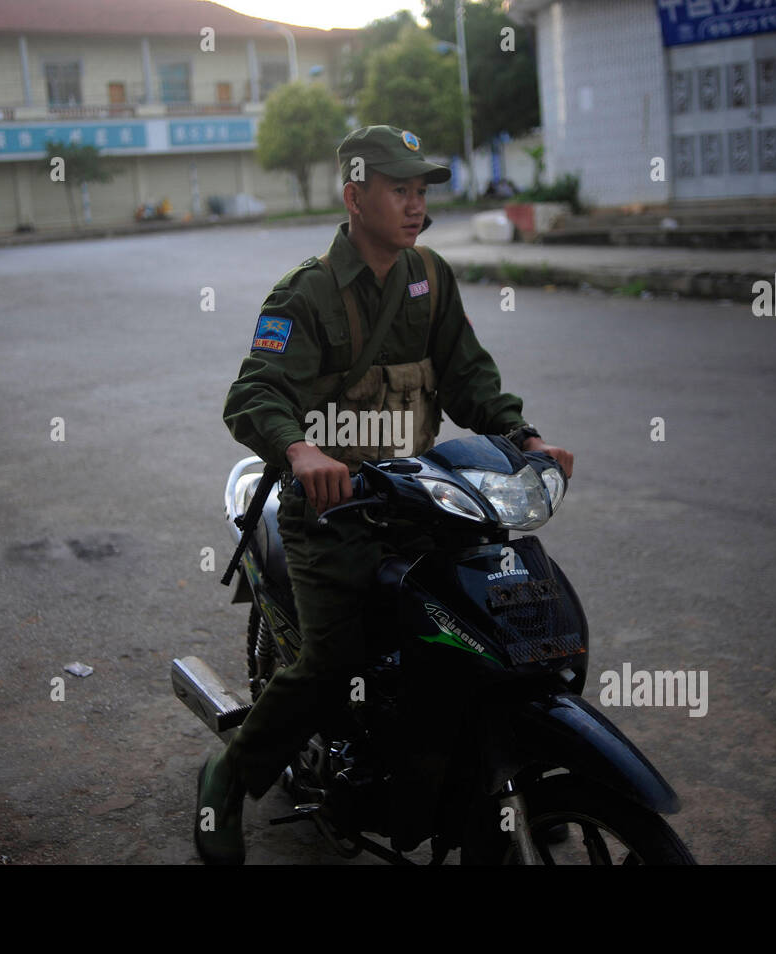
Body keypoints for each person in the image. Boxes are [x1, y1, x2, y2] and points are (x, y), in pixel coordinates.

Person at [196, 125, 573, 864]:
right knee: (331, 660)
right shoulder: (306, 294)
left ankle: (517, 769)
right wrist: (300, 450)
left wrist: (523, 437)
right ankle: (231, 775)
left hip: (421, 499)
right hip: (331, 516)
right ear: (355, 195)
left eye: (422, 189)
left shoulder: (429, 277)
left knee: (511, 621)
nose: (415, 203)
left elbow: (469, 377)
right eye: (399, 189)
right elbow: (254, 393)